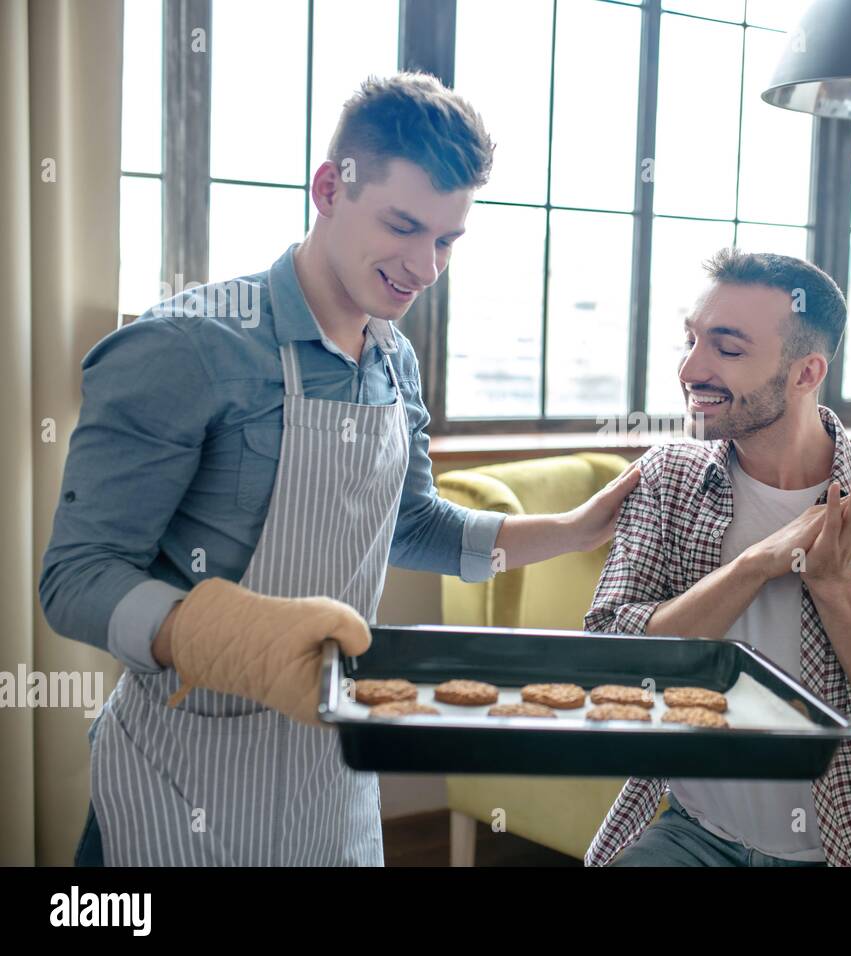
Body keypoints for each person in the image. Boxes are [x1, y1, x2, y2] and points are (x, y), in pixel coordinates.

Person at [40, 72, 638, 866]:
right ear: (330, 187)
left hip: (333, 779)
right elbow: (75, 579)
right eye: (404, 226)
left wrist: (569, 530)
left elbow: (411, 524)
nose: (425, 267)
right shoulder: (188, 348)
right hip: (181, 776)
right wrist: (243, 638)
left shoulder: (393, 359)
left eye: (448, 240)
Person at [583, 249, 851, 867]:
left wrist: (833, 582)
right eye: (690, 341)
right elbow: (614, 666)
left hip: (850, 852)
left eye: (727, 349)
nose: (691, 368)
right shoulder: (668, 479)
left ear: (805, 373)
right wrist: (756, 563)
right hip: (690, 834)